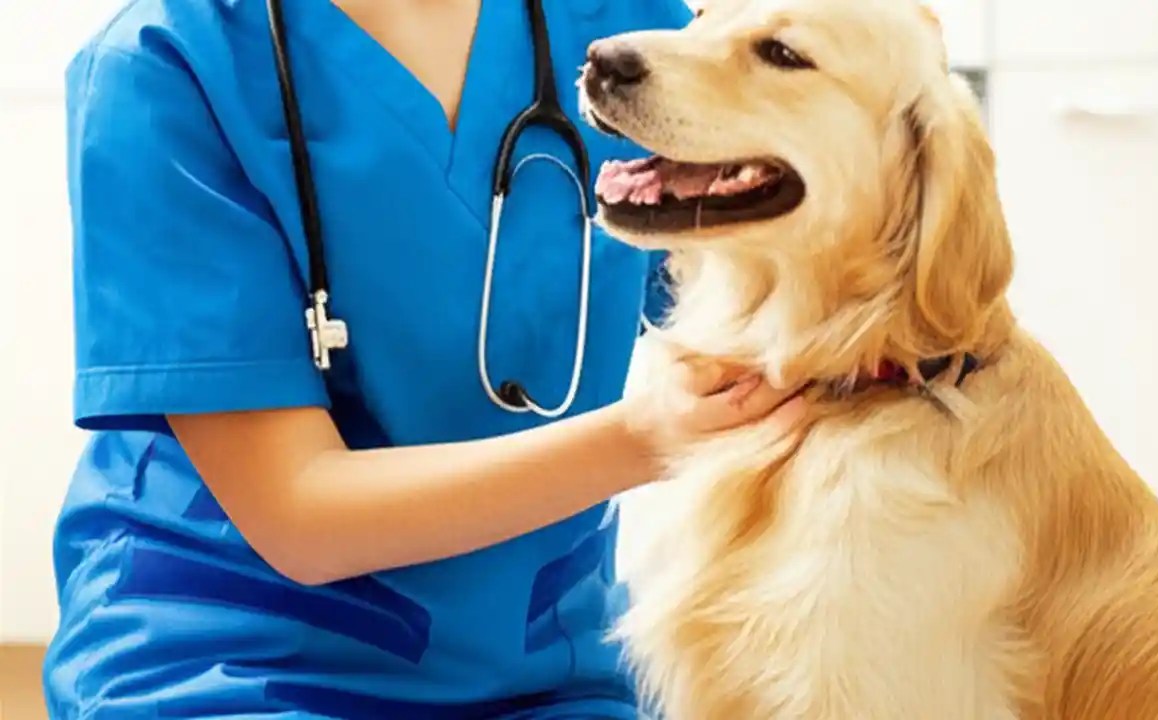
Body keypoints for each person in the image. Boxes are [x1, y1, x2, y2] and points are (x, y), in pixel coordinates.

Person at [41, 0, 808, 717]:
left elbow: (814, 250)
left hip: (544, 671)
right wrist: (645, 437)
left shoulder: (626, 25)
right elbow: (299, 515)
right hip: (229, 658)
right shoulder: (168, 65)